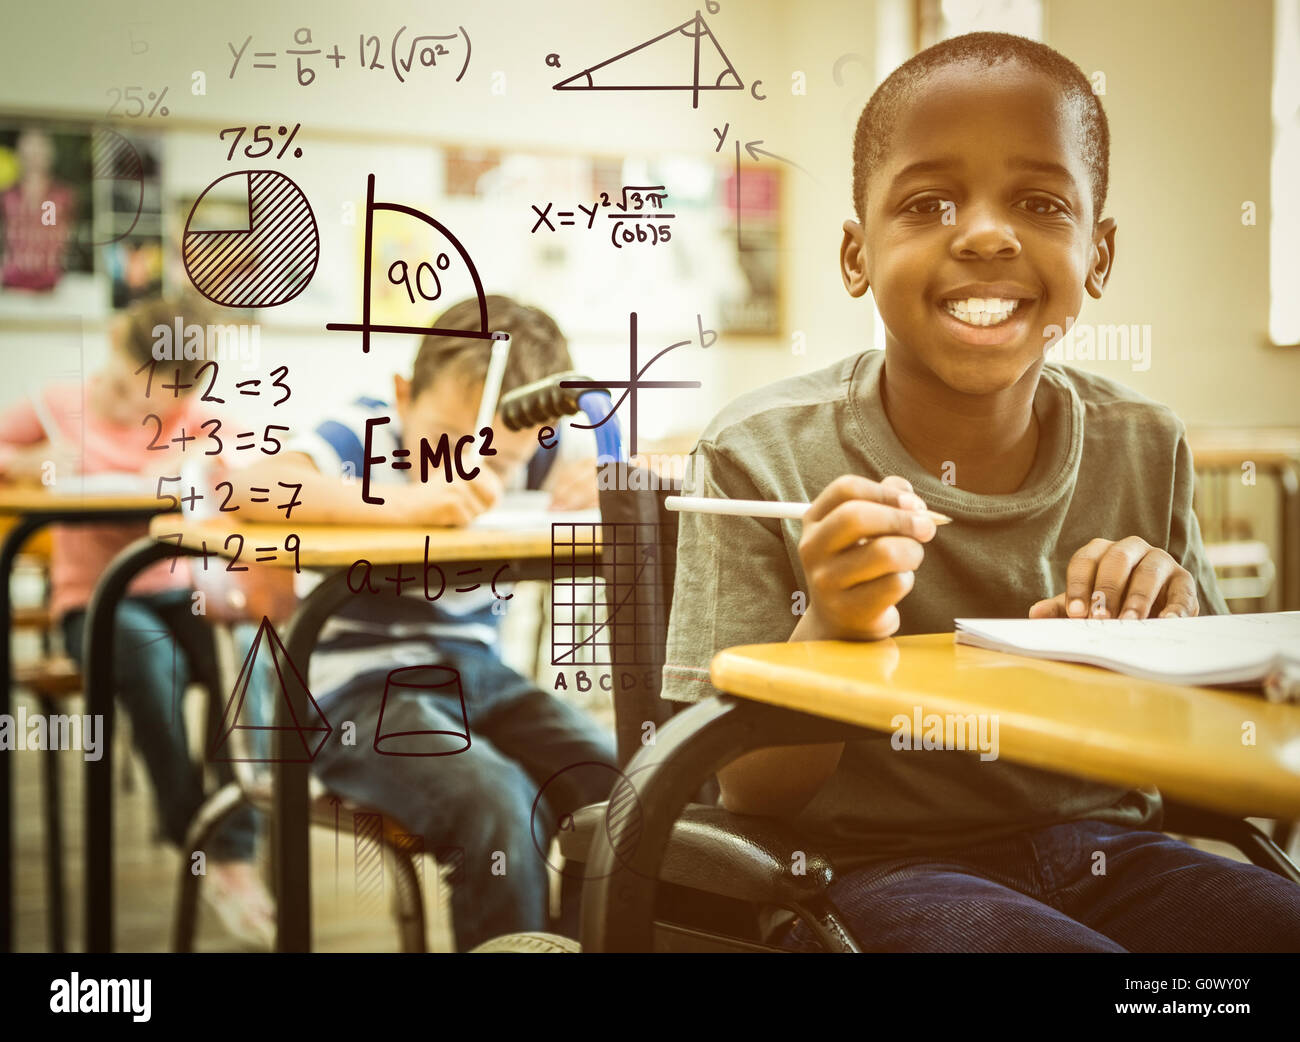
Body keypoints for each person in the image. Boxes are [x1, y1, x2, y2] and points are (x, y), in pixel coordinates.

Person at [661, 31, 1300, 952]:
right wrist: (829, 629)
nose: (988, 232)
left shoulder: (1145, 444)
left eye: (1040, 202)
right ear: (857, 255)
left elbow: (1231, 763)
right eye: (928, 203)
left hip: (1114, 849)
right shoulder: (758, 456)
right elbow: (744, 790)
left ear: (1098, 254)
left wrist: (1171, 640)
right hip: (869, 873)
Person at [235, 294, 615, 951]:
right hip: (352, 695)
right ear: (403, 394)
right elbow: (251, 487)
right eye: (445, 445)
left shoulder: (547, 452)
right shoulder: (365, 433)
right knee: (501, 802)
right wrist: (400, 507)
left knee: (617, 789)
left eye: (497, 462)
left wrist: (617, 474)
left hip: (482, 681)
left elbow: (640, 446)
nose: (467, 470)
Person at [0, 295, 275, 945]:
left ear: (182, 391)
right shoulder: (60, 405)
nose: (123, 405)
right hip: (92, 603)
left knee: (252, 655)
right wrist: (25, 467)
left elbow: (254, 463)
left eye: (145, 398)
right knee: (149, 656)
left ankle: (235, 846)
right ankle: (195, 833)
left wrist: (195, 468)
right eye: (118, 382)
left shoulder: (199, 418)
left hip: (181, 591)